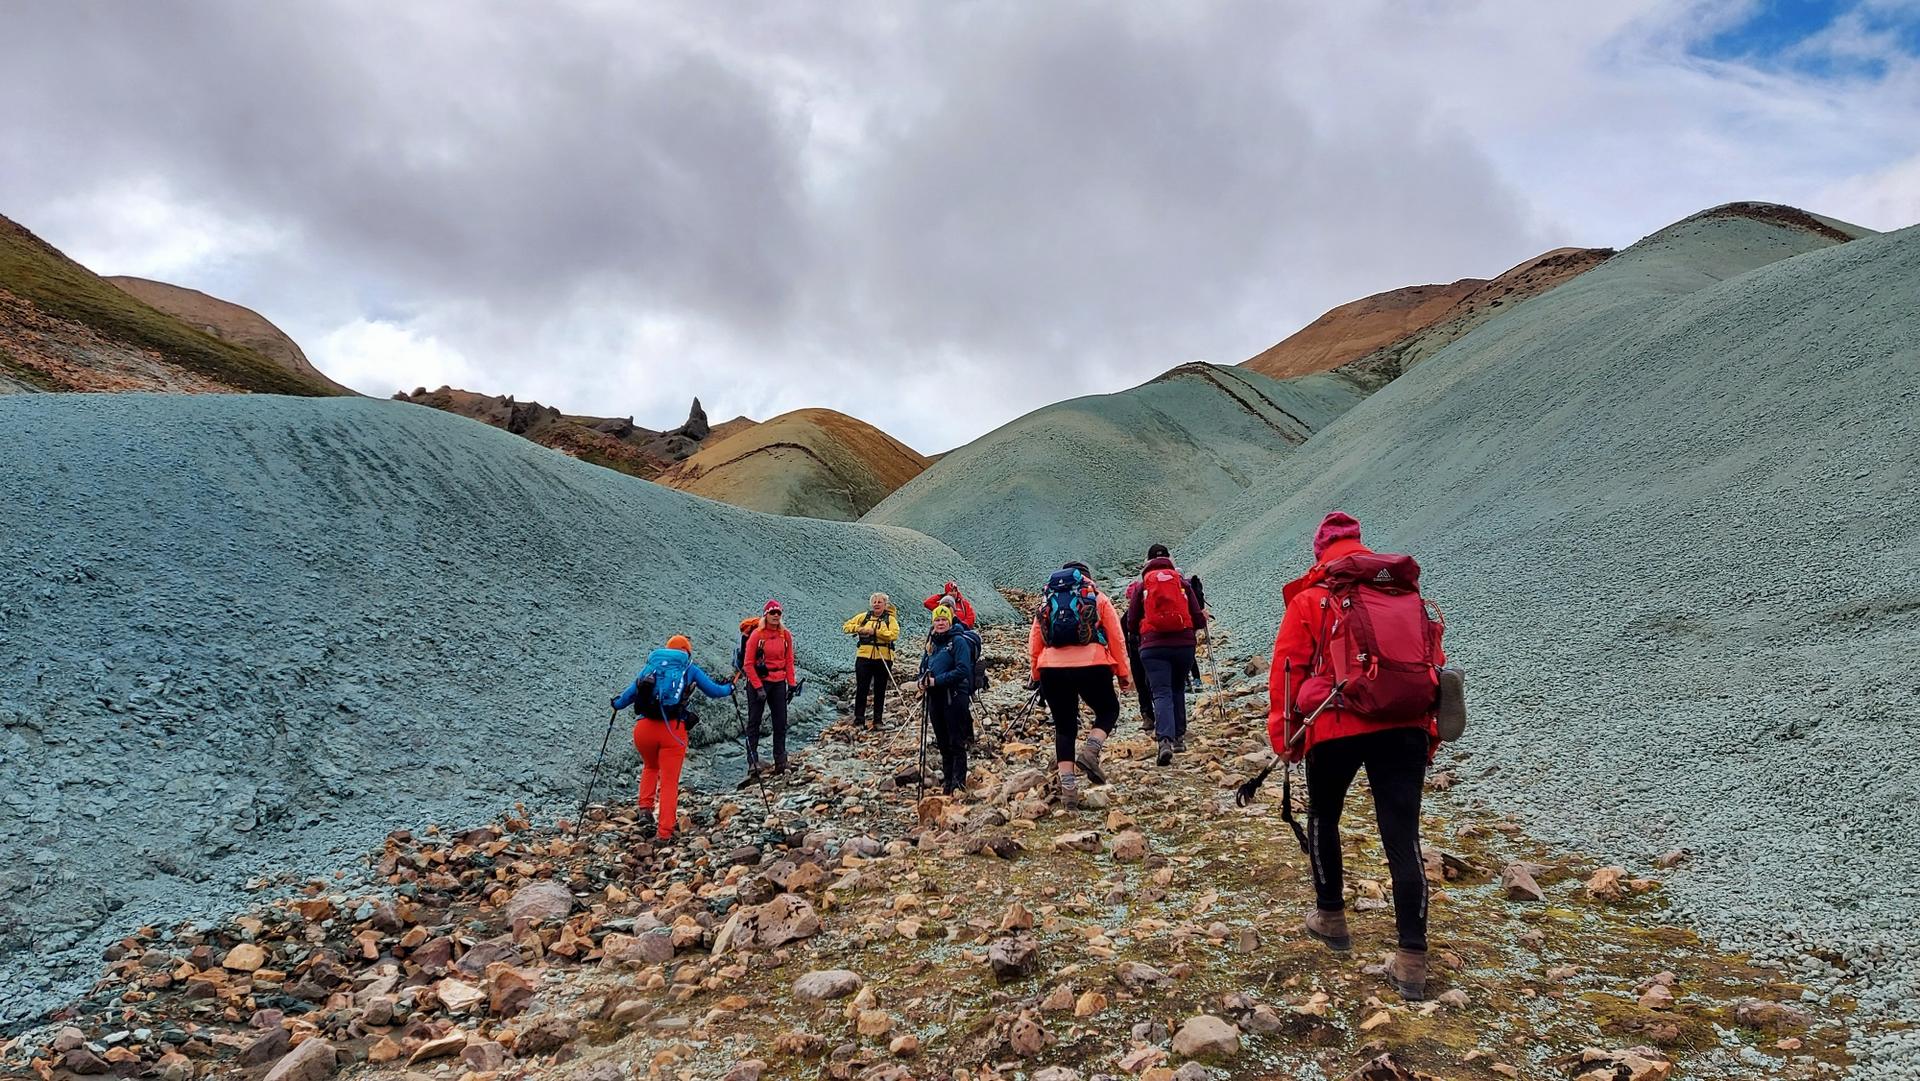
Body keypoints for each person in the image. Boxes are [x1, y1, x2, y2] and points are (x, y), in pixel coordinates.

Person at [1267, 511, 1447, 1001]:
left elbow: (1287, 670)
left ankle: (1330, 917)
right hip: (1404, 725)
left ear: (1319, 551)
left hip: (1335, 722)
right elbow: (1429, 662)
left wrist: (1285, 736)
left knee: (1325, 816)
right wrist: (1427, 730)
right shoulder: (1401, 592)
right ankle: (1412, 957)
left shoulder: (1310, 599)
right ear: (1361, 545)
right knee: (1402, 835)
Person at [610, 634, 733, 844]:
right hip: (672, 731)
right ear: (687, 651)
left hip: (643, 729)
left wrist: (616, 704)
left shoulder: (652, 667)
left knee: (650, 766)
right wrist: (730, 687)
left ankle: (645, 810)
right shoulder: (689, 668)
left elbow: (628, 696)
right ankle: (664, 832)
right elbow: (714, 691)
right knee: (669, 783)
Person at [1027, 561, 1130, 807]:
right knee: (1108, 710)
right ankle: (1091, 752)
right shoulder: (1097, 597)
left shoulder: (1047, 601)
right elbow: (1116, 637)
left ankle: (1070, 794)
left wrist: (1036, 672)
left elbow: (1035, 638)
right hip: (1092, 665)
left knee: (1064, 727)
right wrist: (1123, 673)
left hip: (1052, 668)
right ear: (1087, 578)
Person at [1123, 543, 1206, 766]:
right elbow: (1199, 618)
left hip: (1153, 647)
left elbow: (1130, 621)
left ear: (1146, 562)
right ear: (1170, 559)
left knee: (1161, 693)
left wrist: (1142, 633)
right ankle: (1179, 737)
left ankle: (1165, 740)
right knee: (1178, 688)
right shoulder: (1182, 583)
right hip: (1183, 646)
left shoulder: (1142, 586)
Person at [919, 605, 976, 796]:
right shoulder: (932, 643)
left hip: (954, 696)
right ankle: (948, 782)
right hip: (935, 696)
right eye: (937, 620)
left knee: (956, 741)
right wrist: (922, 681)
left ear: (950, 621)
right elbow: (923, 666)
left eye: (944, 620)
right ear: (933, 622)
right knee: (943, 742)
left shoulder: (958, 641)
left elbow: (963, 670)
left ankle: (958, 783)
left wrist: (937, 680)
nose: (940, 623)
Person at [743, 599, 799, 774]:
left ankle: (781, 761)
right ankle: (753, 762)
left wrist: (792, 684)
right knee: (754, 722)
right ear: (765, 615)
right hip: (759, 682)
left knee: (780, 722)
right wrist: (758, 687)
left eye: (778, 613)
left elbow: (789, 661)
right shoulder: (757, 635)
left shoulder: (785, 635)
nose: (775, 616)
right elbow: (748, 664)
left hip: (779, 681)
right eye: (772, 613)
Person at [843, 593, 900, 730]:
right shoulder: (864, 617)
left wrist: (875, 632)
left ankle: (878, 721)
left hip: (883, 658)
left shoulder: (890, 620)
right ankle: (859, 721)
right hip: (864, 657)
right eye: (874, 601)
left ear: (885, 605)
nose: (876, 604)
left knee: (880, 690)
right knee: (862, 689)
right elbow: (846, 626)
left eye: (880, 602)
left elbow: (893, 635)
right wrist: (859, 629)